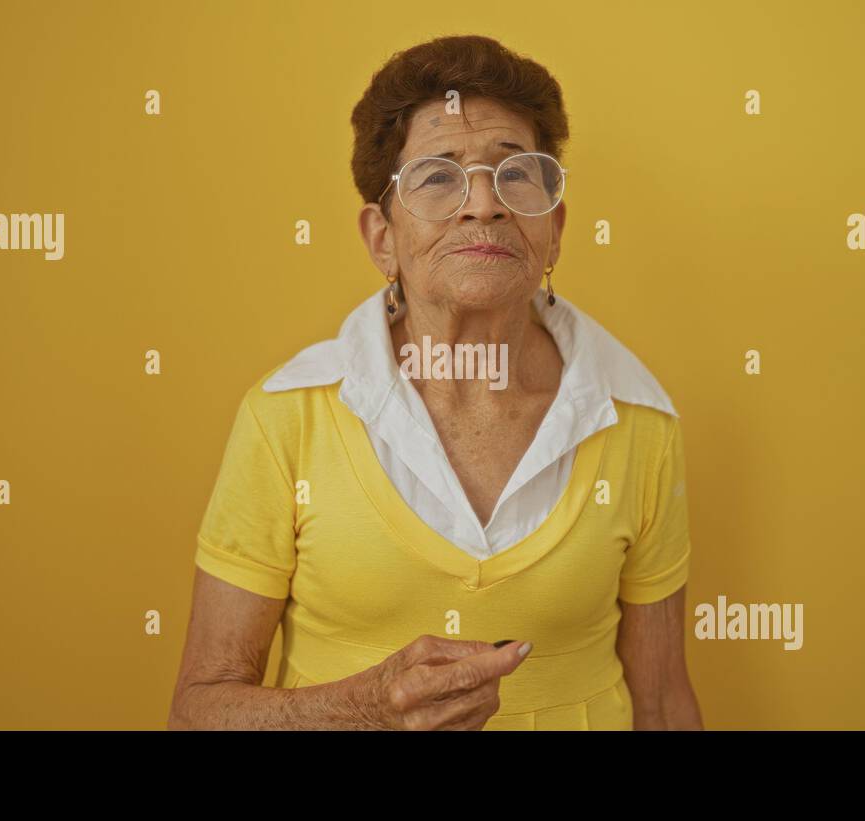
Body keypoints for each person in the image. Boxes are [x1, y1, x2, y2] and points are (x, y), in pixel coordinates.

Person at [168, 34, 702, 730]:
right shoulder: (287, 417)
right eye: (438, 176)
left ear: (555, 225)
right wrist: (364, 708)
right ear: (381, 237)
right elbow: (197, 710)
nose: (485, 204)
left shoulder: (637, 418)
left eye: (516, 173)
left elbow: (661, 702)